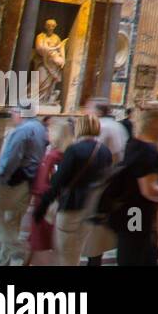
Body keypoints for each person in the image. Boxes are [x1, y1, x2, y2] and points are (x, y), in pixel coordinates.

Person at [33, 113, 111, 266]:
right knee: (75, 250)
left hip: (71, 206)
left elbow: (58, 182)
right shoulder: (104, 151)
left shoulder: (75, 150)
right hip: (91, 207)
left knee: (65, 254)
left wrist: (42, 207)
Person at [115, 102, 158, 266]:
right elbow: (149, 190)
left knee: (136, 252)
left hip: (132, 211)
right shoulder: (146, 149)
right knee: (136, 253)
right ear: (155, 121)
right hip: (137, 213)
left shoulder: (135, 142)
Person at [0, 108, 48, 265]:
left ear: (21, 113)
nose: (12, 116)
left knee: (0, 217)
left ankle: (17, 250)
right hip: (30, 180)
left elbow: (13, 157)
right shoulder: (41, 129)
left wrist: (2, 177)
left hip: (15, 182)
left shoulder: (22, 130)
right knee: (13, 221)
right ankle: (4, 259)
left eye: (13, 112)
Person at [25, 118, 70, 265]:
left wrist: (34, 193)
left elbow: (44, 183)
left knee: (41, 242)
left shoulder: (53, 156)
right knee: (37, 239)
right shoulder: (65, 153)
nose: (46, 133)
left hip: (44, 202)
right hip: (54, 201)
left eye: (49, 131)